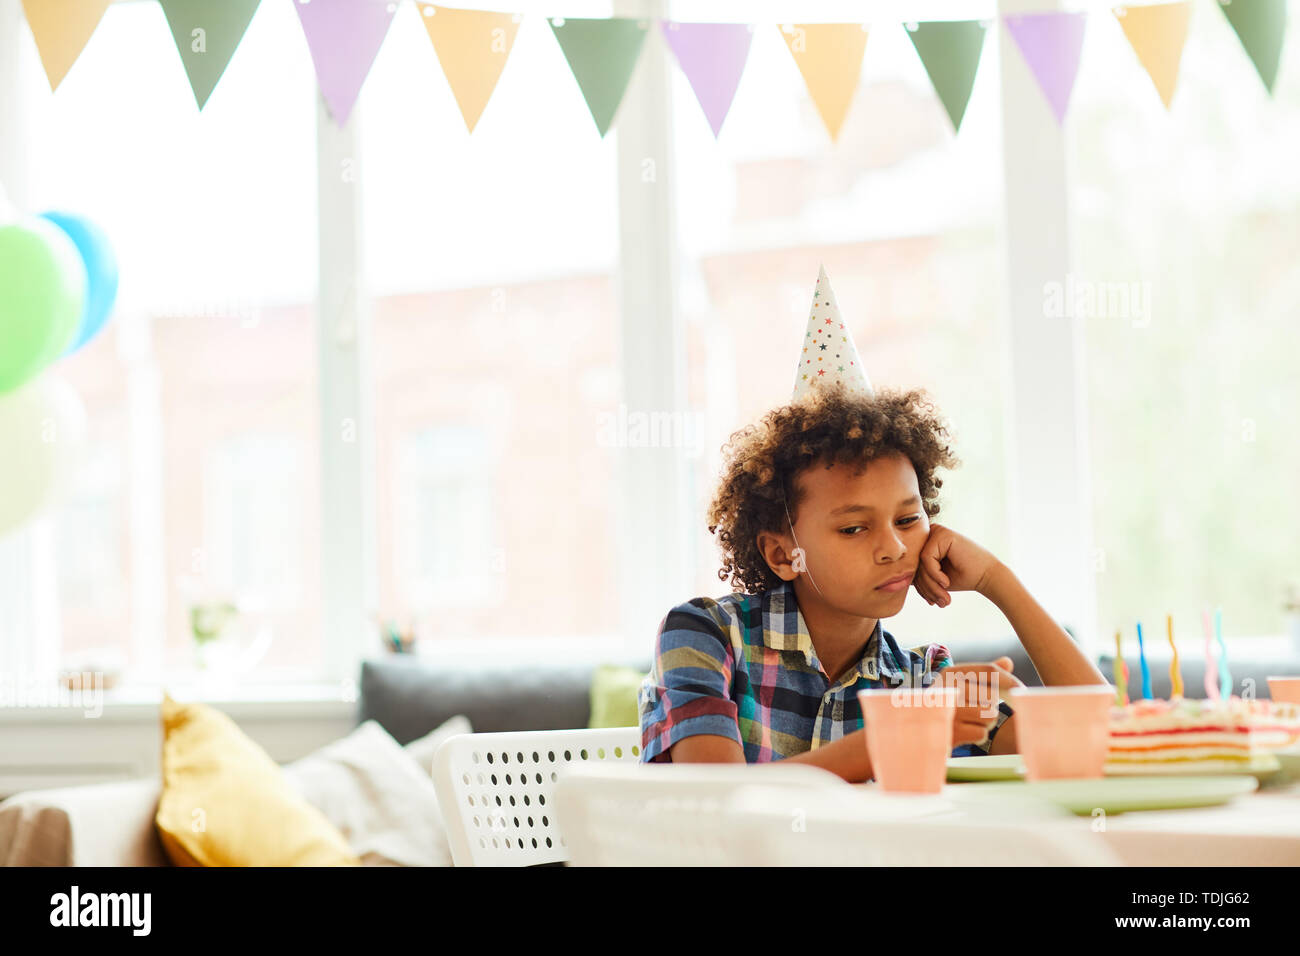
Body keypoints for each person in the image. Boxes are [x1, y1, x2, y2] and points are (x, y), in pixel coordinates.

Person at [638, 267, 1107, 782]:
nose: (893, 548)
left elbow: (1099, 741)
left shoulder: (924, 680)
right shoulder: (706, 634)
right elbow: (716, 796)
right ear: (780, 554)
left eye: (908, 519)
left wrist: (999, 581)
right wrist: (916, 728)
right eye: (854, 529)